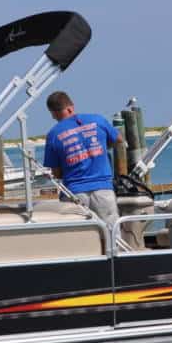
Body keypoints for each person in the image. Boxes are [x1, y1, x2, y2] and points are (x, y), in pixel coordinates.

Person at [41, 90, 121, 237]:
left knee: (80, 238)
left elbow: (57, 172)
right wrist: (102, 147)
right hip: (103, 190)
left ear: (52, 113)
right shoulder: (97, 120)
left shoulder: (53, 134)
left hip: (74, 193)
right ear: (71, 107)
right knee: (112, 237)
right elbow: (118, 140)